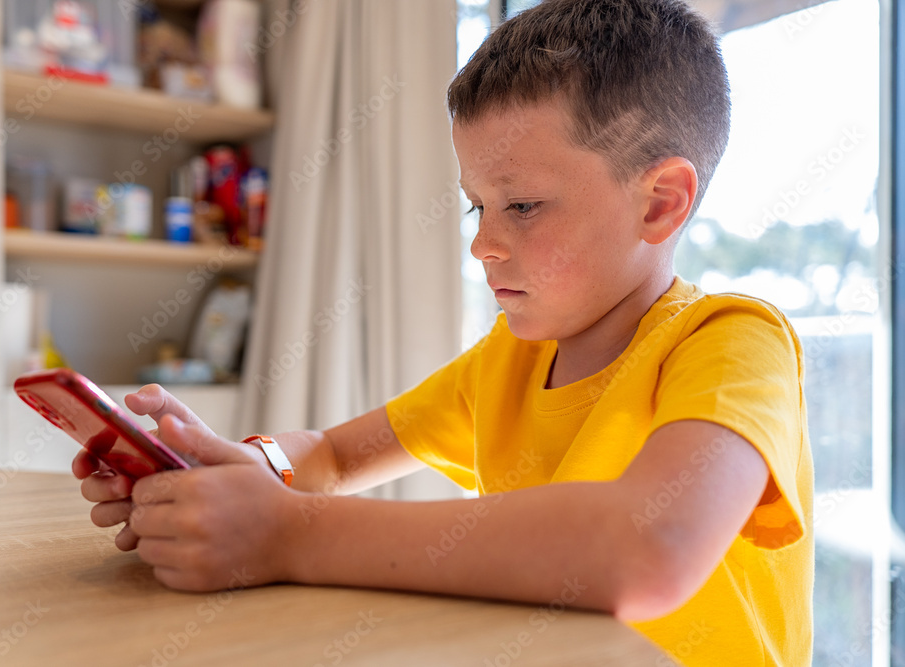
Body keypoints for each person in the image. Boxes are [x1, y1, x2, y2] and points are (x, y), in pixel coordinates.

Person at [73, 1, 813, 664]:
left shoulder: (734, 342)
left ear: (660, 204)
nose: (482, 245)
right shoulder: (511, 358)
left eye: (521, 205)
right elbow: (331, 453)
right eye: (475, 208)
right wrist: (244, 470)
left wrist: (288, 533)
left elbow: (652, 546)